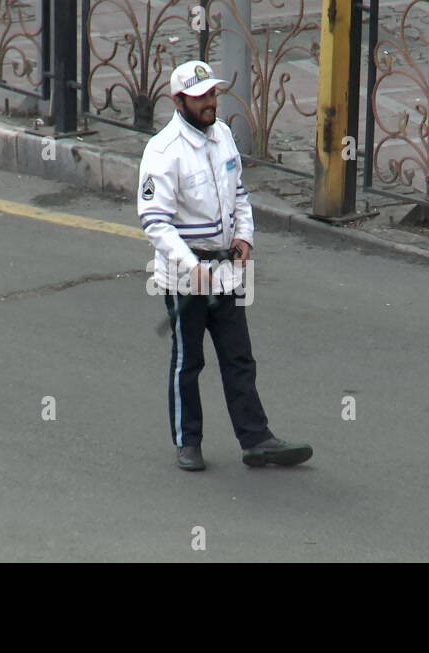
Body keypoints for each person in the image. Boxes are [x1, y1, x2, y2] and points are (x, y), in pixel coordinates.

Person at [137, 59, 313, 471]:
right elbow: (154, 222)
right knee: (189, 361)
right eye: (200, 98)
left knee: (239, 357)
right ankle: (188, 441)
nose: (209, 103)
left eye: (212, 94)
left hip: (228, 270)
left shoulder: (224, 137)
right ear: (178, 101)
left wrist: (244, 236)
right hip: (186, 276)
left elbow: (239, 196)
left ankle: (256, 440)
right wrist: (189, 263)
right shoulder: (162, 152)